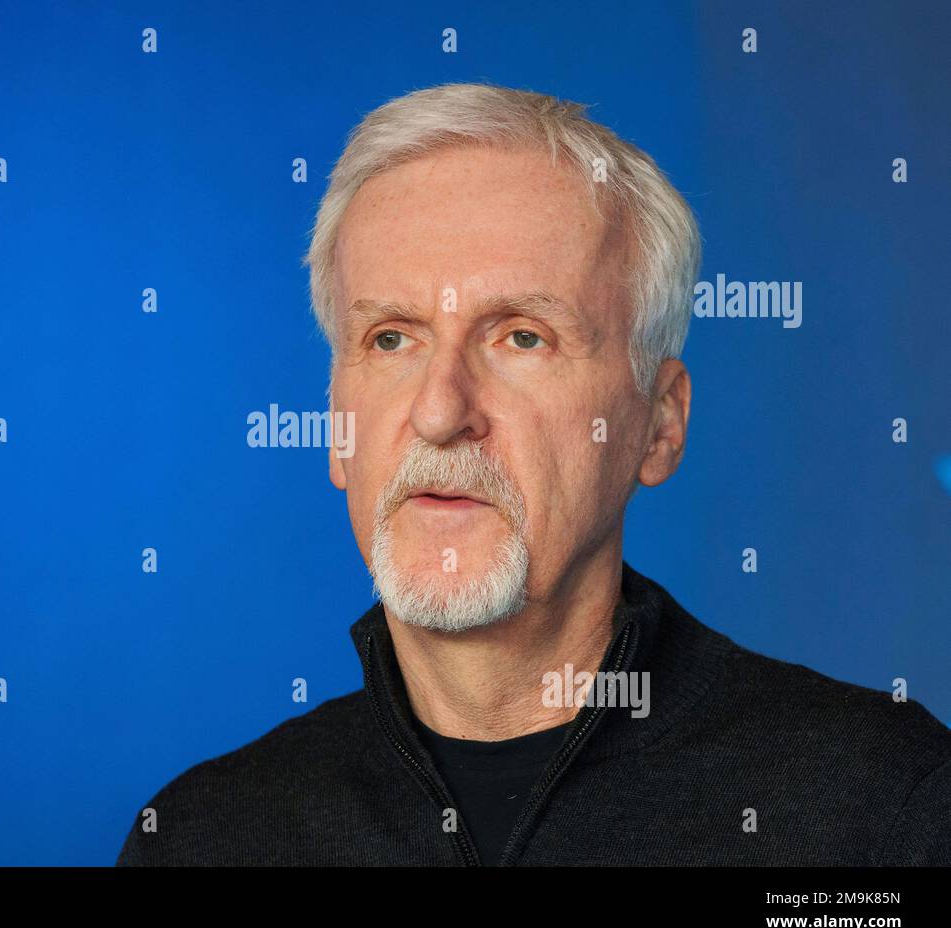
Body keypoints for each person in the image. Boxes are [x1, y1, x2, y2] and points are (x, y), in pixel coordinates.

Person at [116, 82, 951, 866]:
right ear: (337, 426)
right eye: (392, 339)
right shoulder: (203, 839)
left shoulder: (883, 811)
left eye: (521, 337)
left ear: (658, 424)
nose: (441, 412)